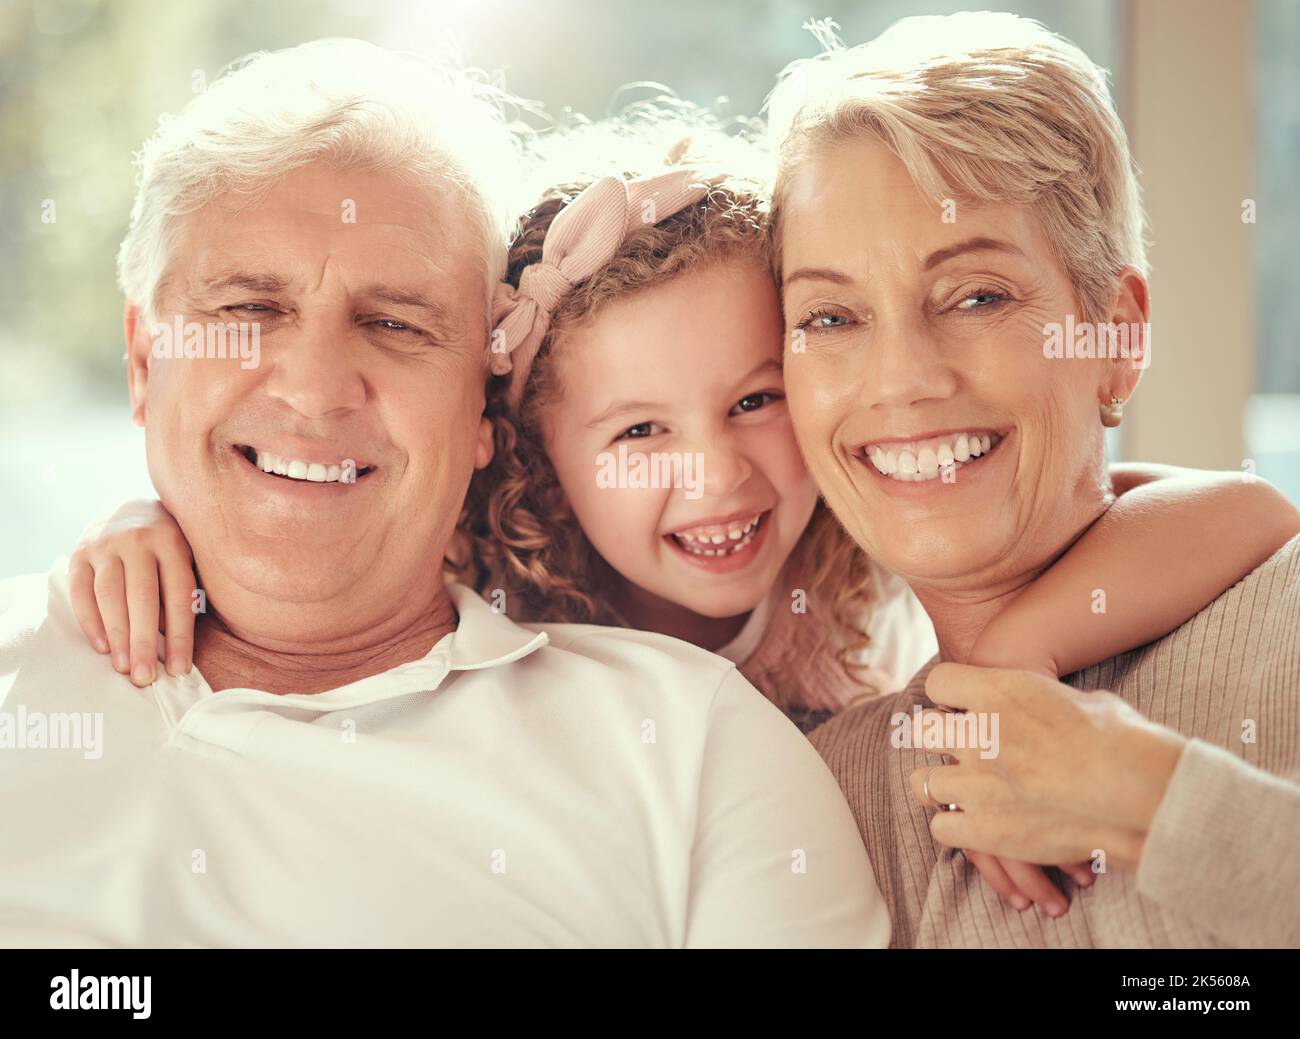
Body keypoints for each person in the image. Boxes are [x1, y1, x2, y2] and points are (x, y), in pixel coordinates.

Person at [69, 107, 1297, 920]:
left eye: (757, 397)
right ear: (534, 453)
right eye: (640, 432)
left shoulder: (867, 545)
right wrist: (147, 521)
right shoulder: (485, 605)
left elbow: (1239, 508)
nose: (714, 476)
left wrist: (1007, 658)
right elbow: (295, 504)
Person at [0, 39, 889, 948]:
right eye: (248, 310)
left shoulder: (702, 750)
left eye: (393, 323)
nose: (314, 390)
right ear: (145, 360)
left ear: (481, 412)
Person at [769, 11, 1300, 946]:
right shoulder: (817, 790)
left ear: (1118, 339)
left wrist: (1147, 798)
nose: (903, 379)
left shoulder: (1284, 610)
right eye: (831, 317)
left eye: (978, 296)